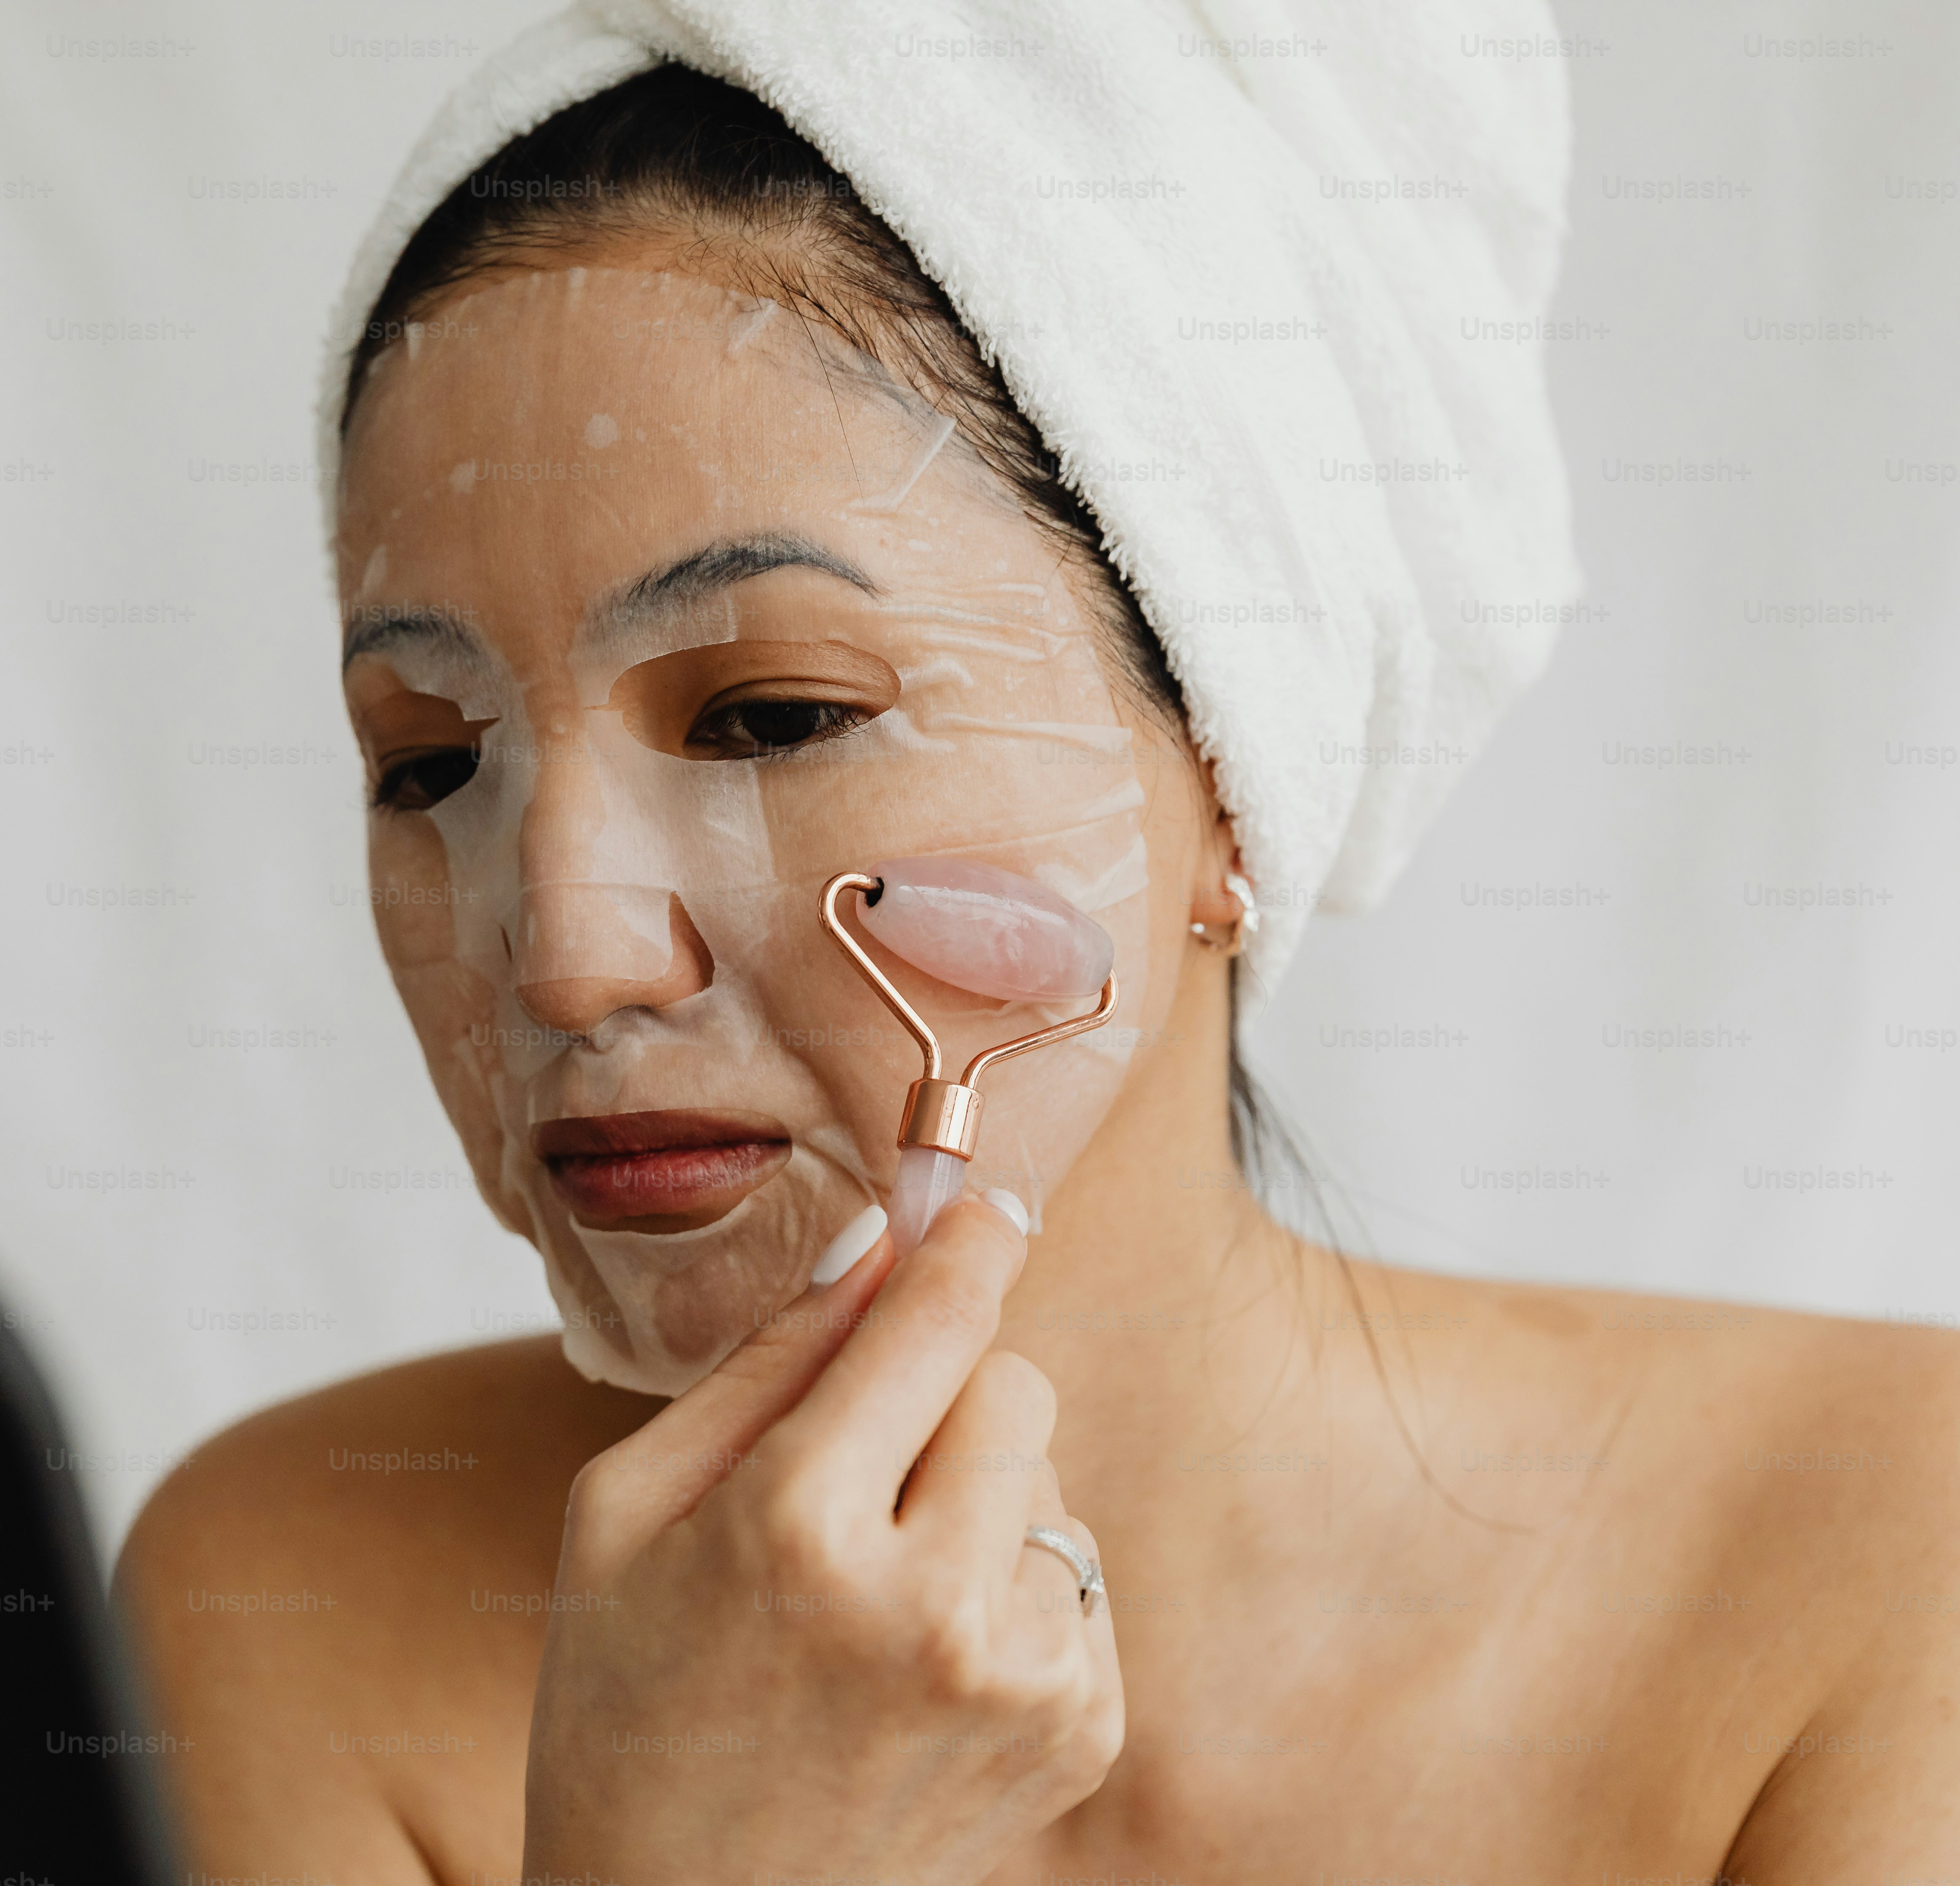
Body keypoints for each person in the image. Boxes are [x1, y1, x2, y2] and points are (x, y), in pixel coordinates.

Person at [117, 48, 1960, 1885]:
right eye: (430, 760)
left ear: (1239, 779)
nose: (569, 956)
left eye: (773, 713)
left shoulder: (1892, 1553)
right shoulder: (295, 1590)